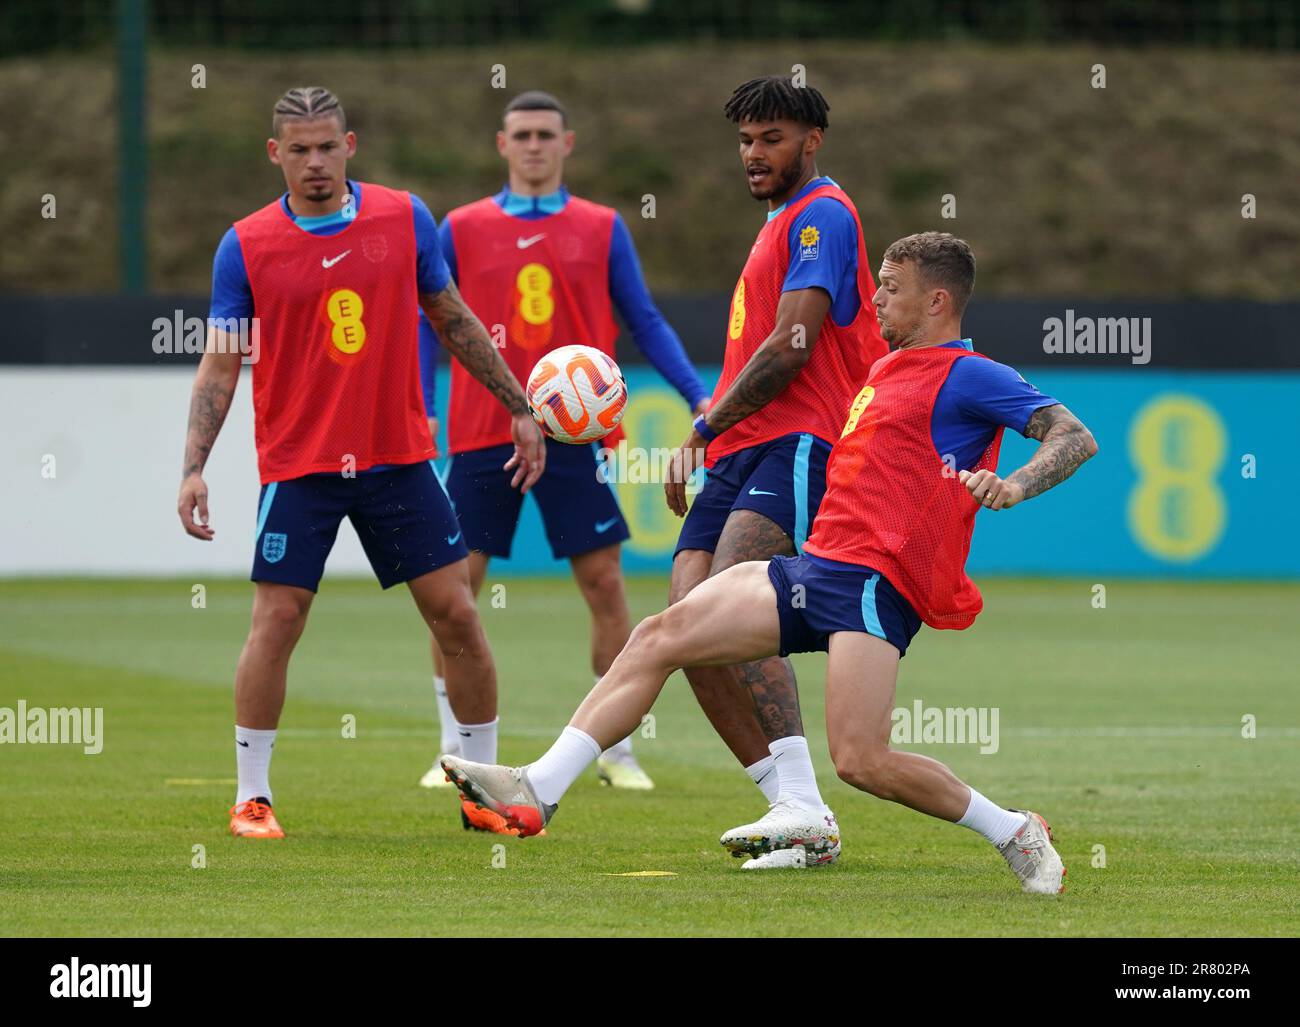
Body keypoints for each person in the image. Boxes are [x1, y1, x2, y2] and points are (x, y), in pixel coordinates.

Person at [439, 232, 1097, 893]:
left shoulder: (971, 374)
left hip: (876, 584)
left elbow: (1074, 435)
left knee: (861, 760)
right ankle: (537, 788)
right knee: (660, 634)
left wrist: (1015, 484)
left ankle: (1013, 829)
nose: (875, 298)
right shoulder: (882, 369)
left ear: (937, 301)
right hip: (815, 570)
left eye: (892, 287)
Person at [178, 86, 545, 839]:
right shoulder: (244, 244)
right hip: (299, 466)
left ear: (350, 145)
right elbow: (220, 364)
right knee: (277, 621)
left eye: (327, 146)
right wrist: (193, 467)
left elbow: (452, 317)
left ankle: (483, 790)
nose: (315, 161)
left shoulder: (404, 217)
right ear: (275, 154)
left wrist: (518, 405)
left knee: (458, 616)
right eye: (299, 149)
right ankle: (252, 797)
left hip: (398, 459)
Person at [418, 90, 711, 799]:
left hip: (576, 437)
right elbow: (432, 324)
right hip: (485, 429)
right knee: (455, 590)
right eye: (521, 134)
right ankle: (452, 748)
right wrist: (423, 409)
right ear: (502, 144)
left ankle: (617, 749)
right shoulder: (461, 227)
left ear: (566, 143)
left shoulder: (602, 226)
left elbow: (643, 319)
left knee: (605, 584)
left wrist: (697, 395)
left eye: (545, 134)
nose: (533, 145)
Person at [659, 75, 888, 866]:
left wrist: (703, 425)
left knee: (735, 603)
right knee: (688, 625)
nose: (754, 154)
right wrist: (717, 436)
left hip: (798, 439)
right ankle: (797, 806)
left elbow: (793, 346)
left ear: (811, 142)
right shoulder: (778, 225)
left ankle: (801, 805)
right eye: (746, 141)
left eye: (772, 139)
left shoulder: (824, 214)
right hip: (739, 449)